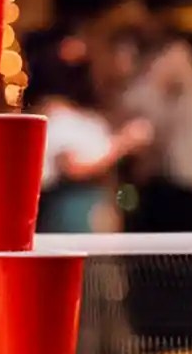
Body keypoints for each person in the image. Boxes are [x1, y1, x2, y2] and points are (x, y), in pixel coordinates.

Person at [88, 0, 192, 232]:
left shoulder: (176, 56)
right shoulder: (154, 61)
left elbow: (138, 103)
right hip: (170, 181)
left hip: (186, 182)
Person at [32, 34, 154, 233]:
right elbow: (73, 166)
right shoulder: (59, 116)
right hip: (73, 211)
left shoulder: (87, 115)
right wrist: (124, 142)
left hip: (98, 205)